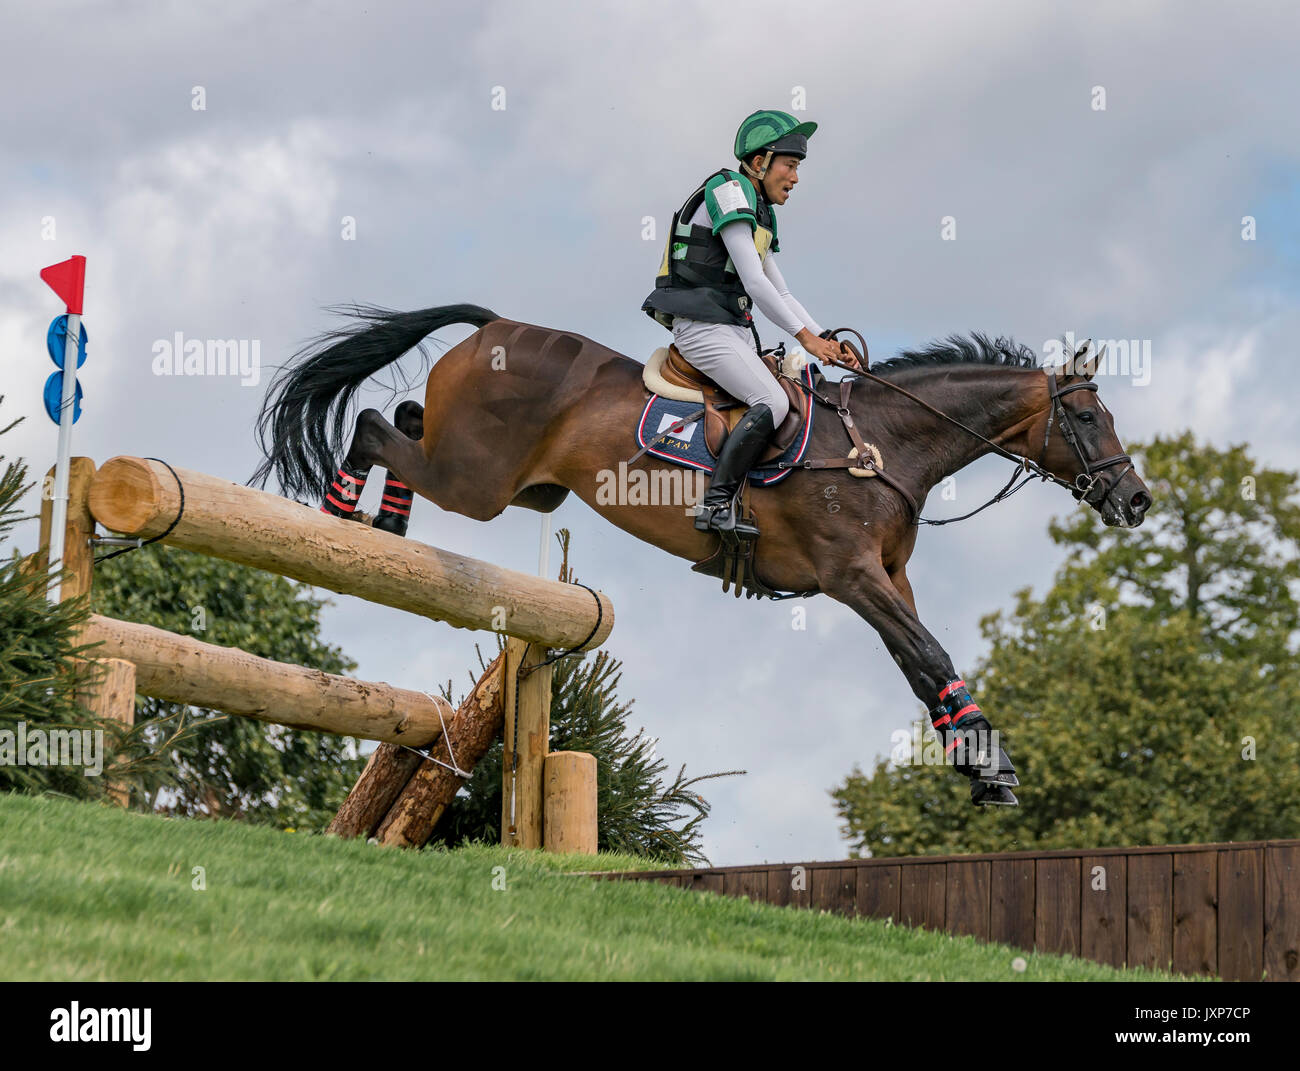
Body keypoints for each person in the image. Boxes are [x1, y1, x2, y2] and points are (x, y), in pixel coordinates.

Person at [642, 109, 852, 537]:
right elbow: (754, 282)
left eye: (797, 168)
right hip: (700, 328)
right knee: (772, 403)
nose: (795, 178)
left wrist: (827, 337)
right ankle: (716, 505)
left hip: (729, 329)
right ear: (759, 162)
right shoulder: (729, 191)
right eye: (789, 166)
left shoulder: (759, 210)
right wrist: (806, 339)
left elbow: (783, 291)